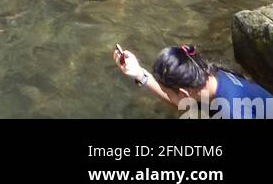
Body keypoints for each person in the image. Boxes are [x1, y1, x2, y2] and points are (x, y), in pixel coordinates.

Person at [113, 43, 272, 118]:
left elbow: (182, 104)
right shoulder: (211, 76)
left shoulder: (232, 112)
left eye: (169, 92)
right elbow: (183, 103)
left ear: (183, 93)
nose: (169, 95)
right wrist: (140, 74)